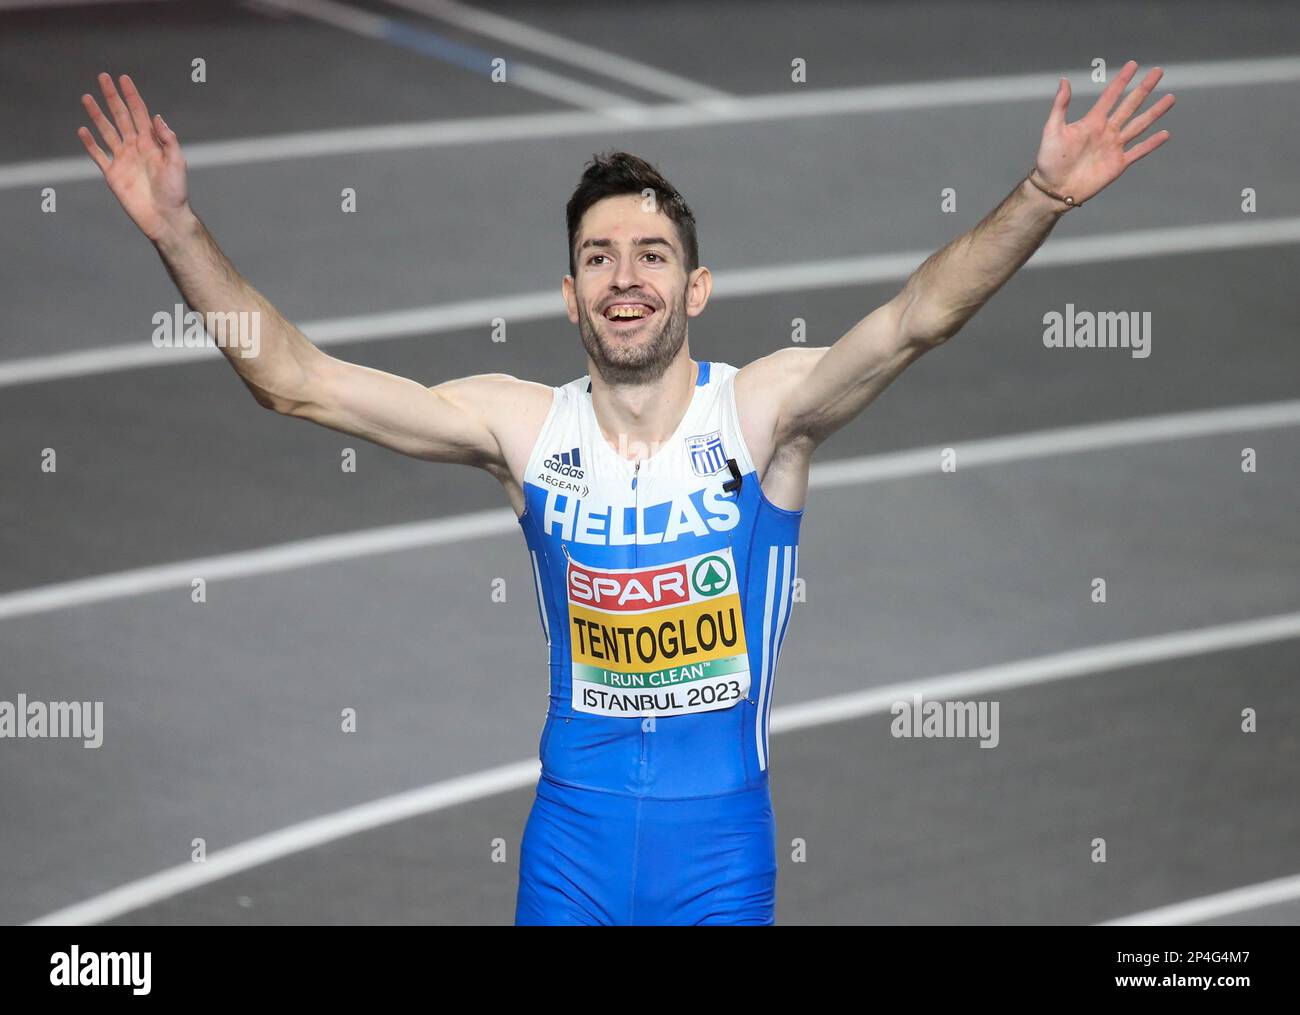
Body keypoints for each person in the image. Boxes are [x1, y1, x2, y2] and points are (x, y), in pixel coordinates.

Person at [76, 63, 1173, 925]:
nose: (625, 276)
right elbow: (294, 383)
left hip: (720, 854)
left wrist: (1039, 197)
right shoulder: (520, 427)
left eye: (651, 254)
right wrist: (175, 229)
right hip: (572, 848)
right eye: (598, 257)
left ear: (695, 286)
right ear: (569, 295)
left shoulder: (764, 414)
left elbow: (914, 320)